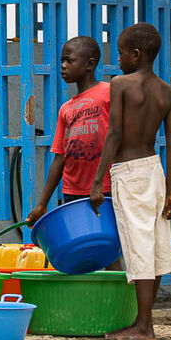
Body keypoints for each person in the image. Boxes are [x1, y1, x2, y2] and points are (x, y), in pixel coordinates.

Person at [89, 22, 171, 340]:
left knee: (139, 246)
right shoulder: (167, 91)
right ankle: (146, 321)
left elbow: (114, 134)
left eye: (122, 53)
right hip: (154, 170)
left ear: (137, 54)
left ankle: (143, 326)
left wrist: (98, 179)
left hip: (129, 172)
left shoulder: (121, 84)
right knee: (153, 246)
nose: (119, 60)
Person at [30, 35, 110, 225]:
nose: (63, 66)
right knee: (79, 248)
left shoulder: (109, 92)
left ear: (89, 64)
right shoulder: (66, 108)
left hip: (104, 189)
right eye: (62, 61)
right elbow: (59, 158)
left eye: (69, 60)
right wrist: (42, 204)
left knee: (107, 246)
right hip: (72, 191)